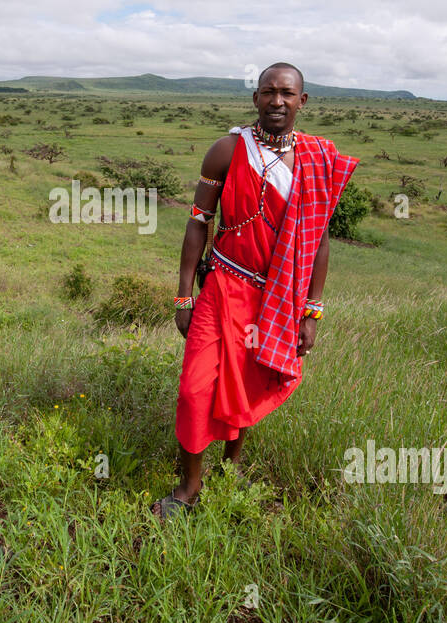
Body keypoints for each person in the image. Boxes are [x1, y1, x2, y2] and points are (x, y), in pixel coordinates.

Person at [153, 63, 360, 519]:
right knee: (194, 390)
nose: (277, 101)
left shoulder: (317, 160)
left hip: (278, 298)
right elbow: (197, 222)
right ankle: (189, 487)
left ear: (302, 101)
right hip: (222, 288)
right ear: (255, 99)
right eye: (268, 92)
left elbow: (318, 241)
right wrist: (184, 295)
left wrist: (313, 309)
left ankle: (233, 465)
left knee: (248, 382)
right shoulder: (227, 150)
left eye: (287, 93)